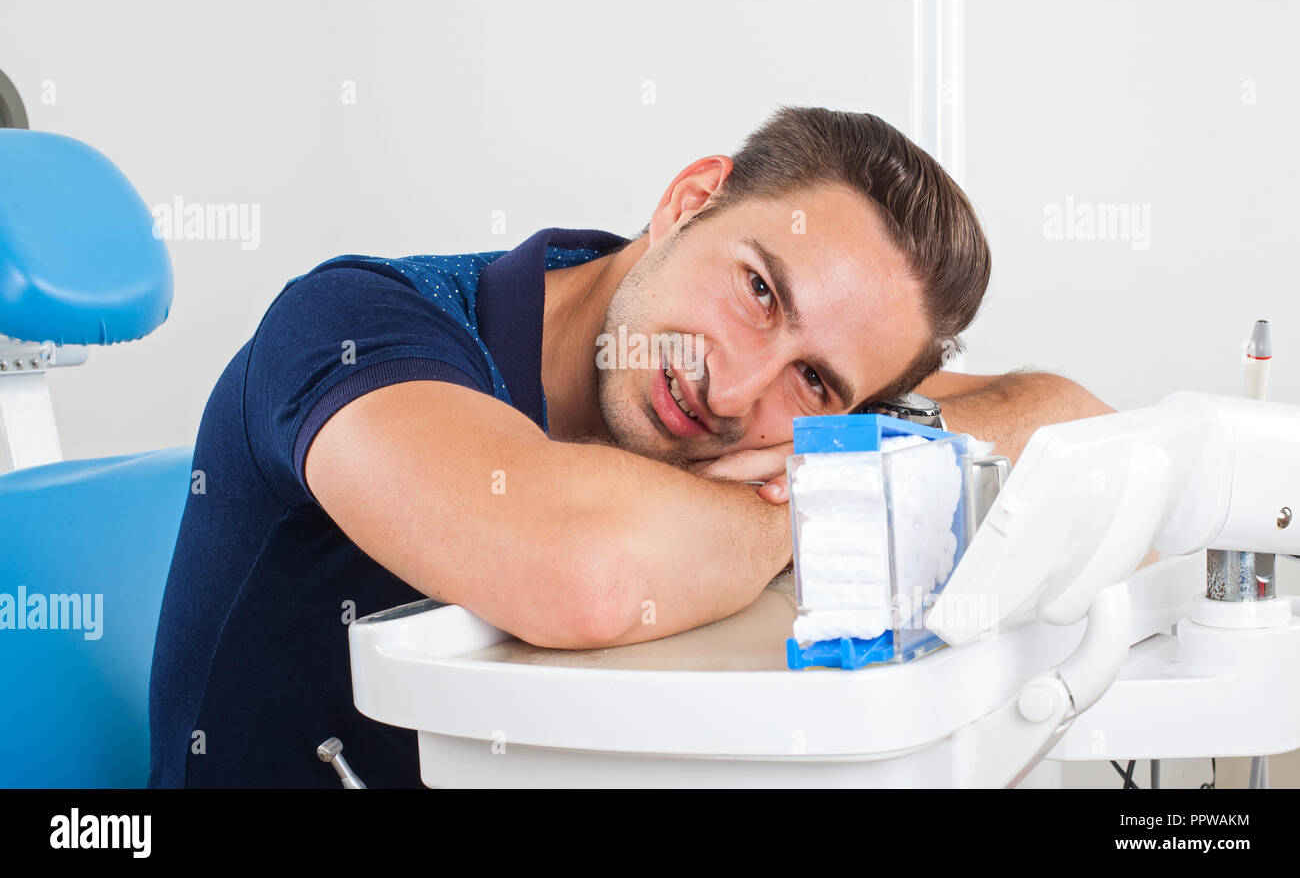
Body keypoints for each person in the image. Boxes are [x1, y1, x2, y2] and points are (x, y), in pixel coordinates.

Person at [148, 106, 1114, 788]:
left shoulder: (743, 385)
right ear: (690, 199)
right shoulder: (356, 322)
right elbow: (584, 570)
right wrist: (823, 490)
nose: (732, 388)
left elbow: (1072, 418)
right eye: (760, 291)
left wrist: (860, 443)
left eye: (815, 383)